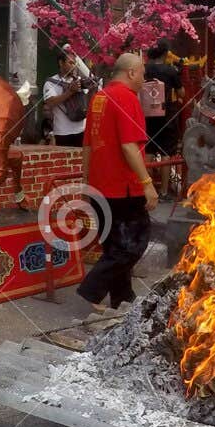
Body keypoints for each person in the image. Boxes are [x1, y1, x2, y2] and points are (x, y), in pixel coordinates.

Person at [77, 53, 158, 315]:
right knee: (133, 244)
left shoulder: (99, 97)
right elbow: (129, 146)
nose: (144, 79)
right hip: (123, 187)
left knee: (114, 245)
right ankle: (91, 290)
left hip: (100, 185)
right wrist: (147, 183)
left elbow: (88, 144)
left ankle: (122, 297)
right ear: (131, 72)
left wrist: (86, 180)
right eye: (143, 73)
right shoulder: (126, 98)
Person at [141, 42, 183, 155]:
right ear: (165, 53)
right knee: (167, 150)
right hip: (166, 114)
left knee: (149, 149)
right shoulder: (170, 70)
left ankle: (148, 167)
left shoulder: (144, 69)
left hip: (147, 115)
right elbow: (181, 93)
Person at [41, 52, 91, 147]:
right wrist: (70, 92)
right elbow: (49, 102)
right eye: (70, 63)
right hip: (63, 132)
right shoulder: (50, 83)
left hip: (82, 130)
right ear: (61, 63)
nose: (74, 66)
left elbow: (87, 101)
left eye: (75, 63)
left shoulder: (80, 80)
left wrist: (92, 88)